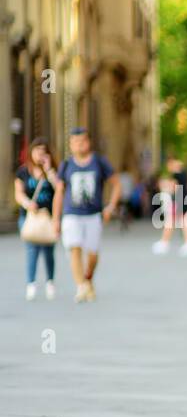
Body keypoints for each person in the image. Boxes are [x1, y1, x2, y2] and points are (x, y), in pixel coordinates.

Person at [52, 127, 119, 303]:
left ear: (88, 142)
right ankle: (81, 286)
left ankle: (87, 279)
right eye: (75, 142)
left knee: (92, 253)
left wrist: (110, 207)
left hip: (93, 214)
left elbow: (116, 184)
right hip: (71, 213)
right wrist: (55, 219)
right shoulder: (66, 165)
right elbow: (59, 193)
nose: (79, 145)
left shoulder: (99, 162)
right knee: (74, 247)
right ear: (71, 145)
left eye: (83, 141)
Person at [15, 138, 59, 301]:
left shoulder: (53, 171)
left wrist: (49, 171)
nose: (40, 154)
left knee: (48, 251)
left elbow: (60, 189)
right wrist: (28, 204)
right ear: (31, 152)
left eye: (44, 151)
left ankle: (50, 282)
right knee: (32, 249)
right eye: (37, 151)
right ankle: (31, 283)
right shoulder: (23, 171)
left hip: (48, 217)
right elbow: (18, 193)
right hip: (29, 217)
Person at [152, 157, 187, 256]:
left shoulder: (176, 175)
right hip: (183, 199)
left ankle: (166, 243)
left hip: (179, 200)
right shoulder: (183, 174)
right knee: (180, 221)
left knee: (174, 221)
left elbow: (173, 188)